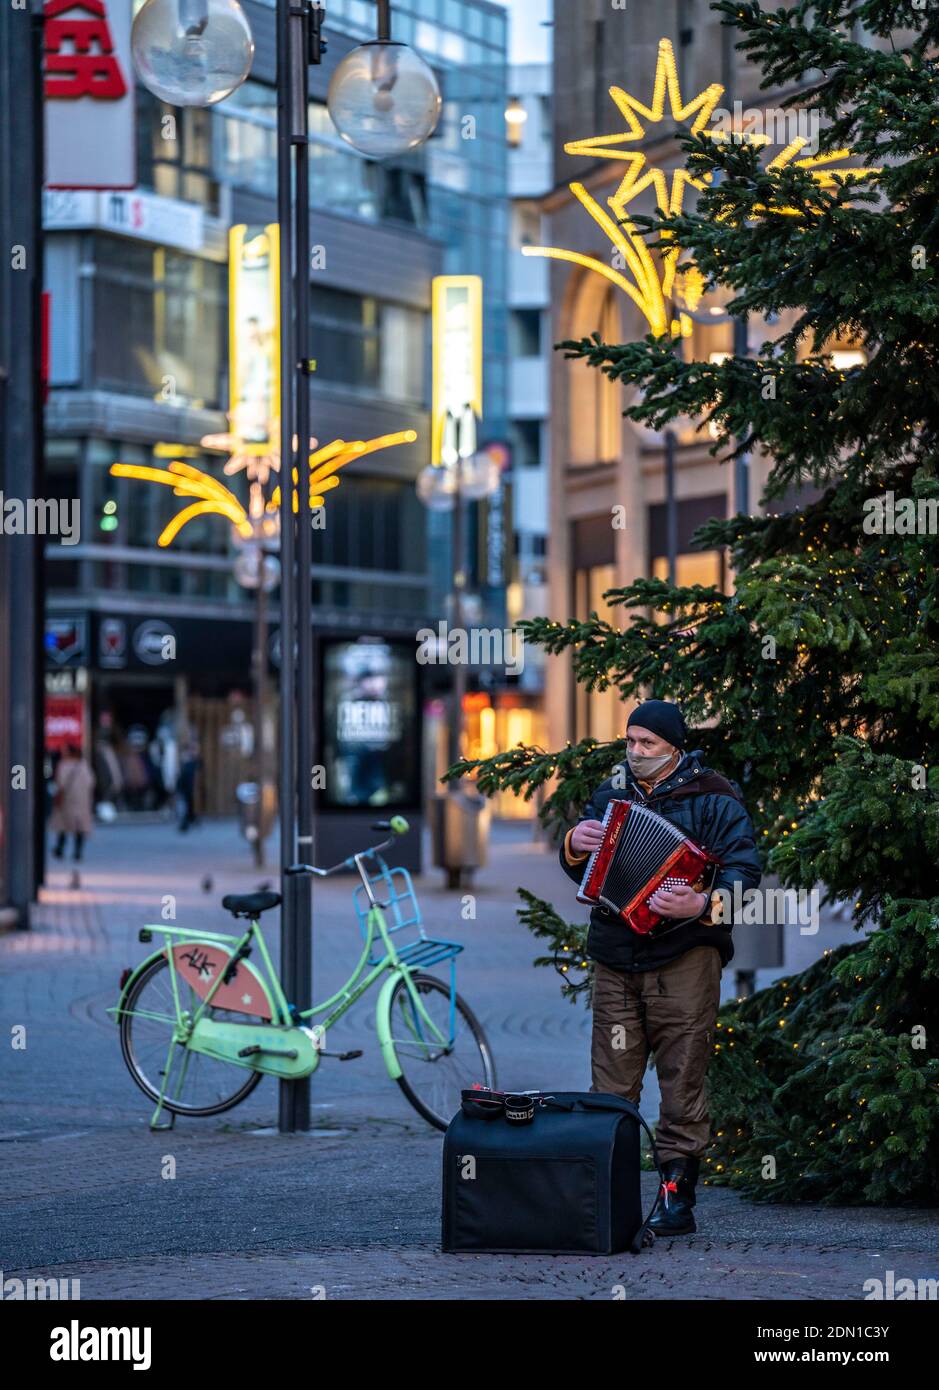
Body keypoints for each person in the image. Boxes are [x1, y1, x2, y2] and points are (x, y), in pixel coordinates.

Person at [559, 699, 762, 1236]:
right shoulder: (612, 792)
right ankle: (613, 1192)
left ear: (675, 747)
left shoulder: (715, 797)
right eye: (630, 742)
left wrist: (704, 905)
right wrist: (573, 845)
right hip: (615, 955)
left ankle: (677, 1200)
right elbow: (585, 857)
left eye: (647, 744)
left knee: (682, 1076)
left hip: (685, 956)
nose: (636, 752)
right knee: (611, 1080)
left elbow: (745, 870)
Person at [50, 744, 95, 862]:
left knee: (62, 825)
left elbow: (60, 783)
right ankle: (78, 852)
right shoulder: (83, 765)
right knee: (79, 826)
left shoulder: (63, 765)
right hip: (81, 801)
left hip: (66, 800)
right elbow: (91, 782)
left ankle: (60, 849)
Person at [177, 737, 202, 832]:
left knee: (189, 804)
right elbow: (181, 775)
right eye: (193, 749)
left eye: (196, 749)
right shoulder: (186, 761)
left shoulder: (197, 762)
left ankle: (191, 819)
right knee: (185, 805)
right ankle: (185, 823)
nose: (194, 751)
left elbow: (198, 776)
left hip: (191, 787)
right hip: (184, 786)